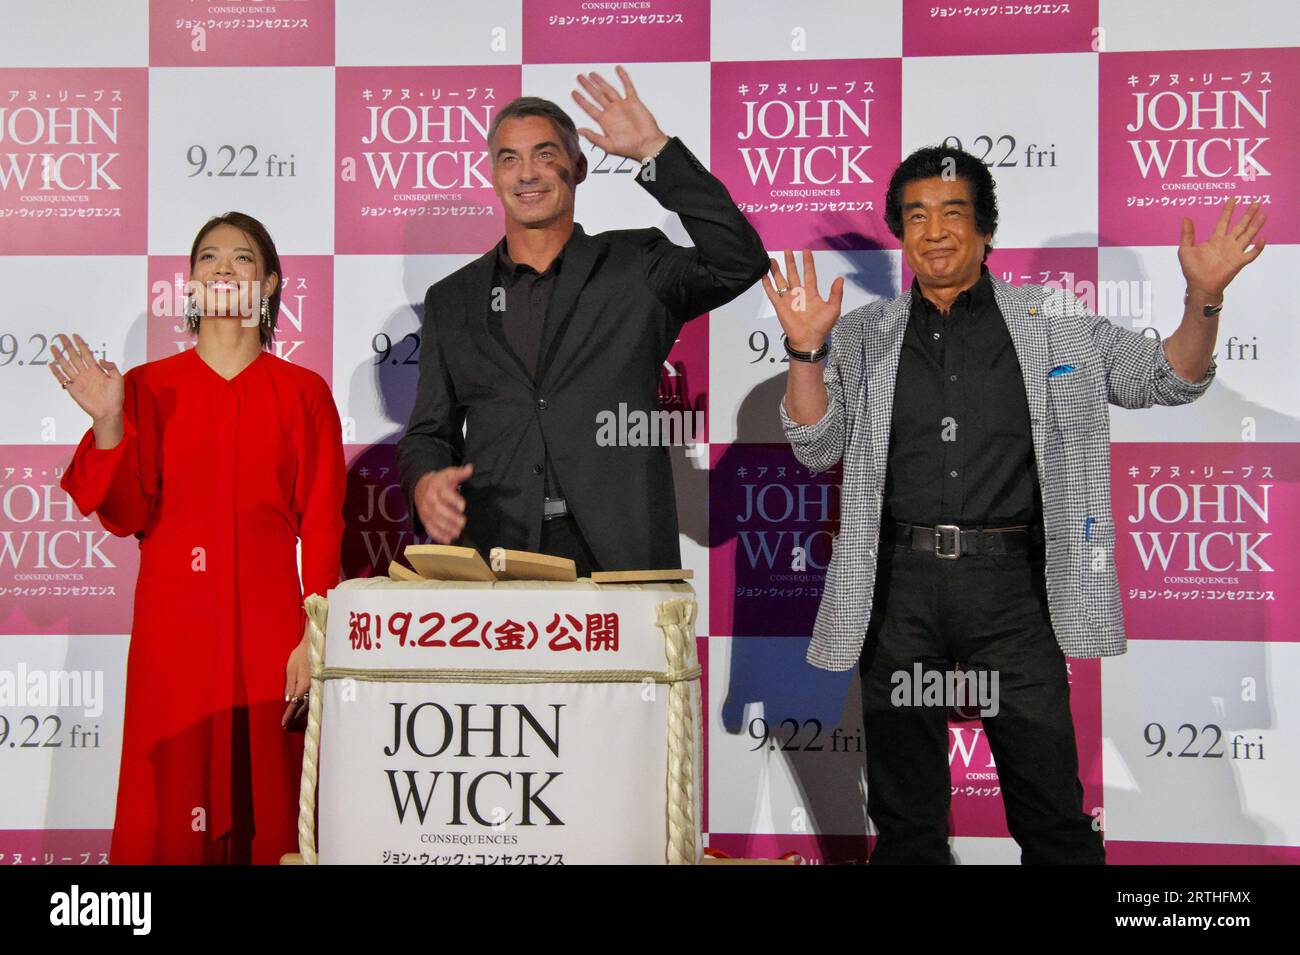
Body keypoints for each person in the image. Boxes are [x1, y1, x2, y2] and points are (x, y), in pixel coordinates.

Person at [771, 146, 1265, 864]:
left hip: (1012, 593)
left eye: (953, 213)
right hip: (896, 591)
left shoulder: (1058, 324)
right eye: (915, 216)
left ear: (986, 230)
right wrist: (805, 351)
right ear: (900, 233)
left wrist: (1204, 301)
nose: (934, 231)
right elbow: (815, 446)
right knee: (907, 825)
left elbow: (1169, 378)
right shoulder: (860, 335)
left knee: (1053, 818)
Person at [53, 212, 346, 864]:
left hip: (271, 630)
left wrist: (313, 632)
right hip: (174, 631)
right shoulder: (147, 388)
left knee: (272, 798)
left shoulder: (303, 393)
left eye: (241, 258)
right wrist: (108, 421)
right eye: (207, 257)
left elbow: (325, 522)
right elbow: (127, 514)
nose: (221, 268)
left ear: (268, 284)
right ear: (189, 283)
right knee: (170, 802)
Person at [398, 66, 767, 576]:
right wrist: (425, 480)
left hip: (622, 552)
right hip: (497, 551)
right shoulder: (452, 298)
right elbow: (429, 430)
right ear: (493, 175)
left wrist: (656, 152)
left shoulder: (636, 265)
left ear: (578, 167)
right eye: (509, 159)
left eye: (545, 155)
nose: (526, 173)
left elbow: (739, 261)